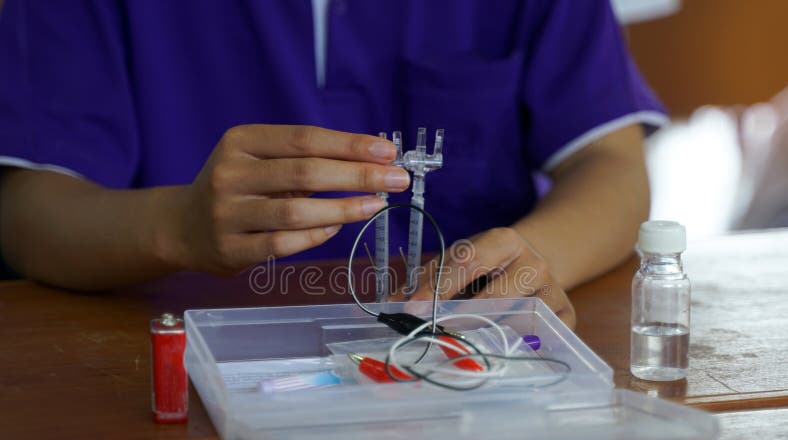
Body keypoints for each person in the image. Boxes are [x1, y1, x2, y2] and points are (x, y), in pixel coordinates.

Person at [0, 1, 667, 328]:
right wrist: (176, 223)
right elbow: (27, 206)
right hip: (172, 369)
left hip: (460, 372)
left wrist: (524, 262)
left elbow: (610, 161)